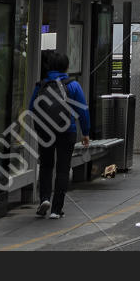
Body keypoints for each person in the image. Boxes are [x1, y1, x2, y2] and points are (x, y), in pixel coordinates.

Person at [31, 51, 90, 219]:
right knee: (63, 168)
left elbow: (31, 109)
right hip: (67, 131)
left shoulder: (40, 85)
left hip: (45, 131)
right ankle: (57, 209)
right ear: (66, 67)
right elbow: (83, 111)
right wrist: (85, 132)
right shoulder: (73, 85)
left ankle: (44, 199)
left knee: (46, 165)